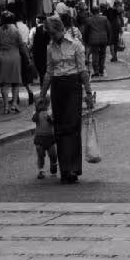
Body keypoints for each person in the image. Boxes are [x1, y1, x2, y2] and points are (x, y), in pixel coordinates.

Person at [38, 16, 95, 184]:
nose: (52, 36)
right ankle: (65, 170)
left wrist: (89, 93)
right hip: (57, 87)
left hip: (73, 86)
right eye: (49, 34)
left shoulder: (76, 45)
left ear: (60, 29)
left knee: (73, 127)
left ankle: (73, 168)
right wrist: (42, 95)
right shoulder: (50, 48)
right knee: (60, 128)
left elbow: (83, 70)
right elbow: (49, 72)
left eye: (53, 33)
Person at [0, 12, 25, 114]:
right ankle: (14, 104)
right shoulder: (15, 30)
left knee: (4, 83)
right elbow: (21, 44)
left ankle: (6, 106)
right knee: (15, 82)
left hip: (1, 57)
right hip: (14, 57)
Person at [32, 95, 58, 179]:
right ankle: (41, 171)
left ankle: (53, 164)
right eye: (39, 104)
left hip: (50, 137)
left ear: (47, 104)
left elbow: (53, 121)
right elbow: (34, 119)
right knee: (40, 154)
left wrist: (50, 118)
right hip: (39, 137)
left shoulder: (50, 112)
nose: (41, 106)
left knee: (53, 154)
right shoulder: (36, 113)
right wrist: (37, 110)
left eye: (43, 104)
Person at [83, 7, 113, 78]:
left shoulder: (89, 20)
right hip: (103, 39)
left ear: (91, 12)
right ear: (99, 11)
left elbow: (86, 32)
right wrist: (109, 39)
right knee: (102, 54)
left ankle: (96, 71)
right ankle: (101, 70)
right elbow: (109, 29)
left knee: (95, 55)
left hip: (93, 40)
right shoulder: (104, 18)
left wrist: (86, 41)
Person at [29, 16, 49, 84]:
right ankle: (44, 83)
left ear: (37, 20)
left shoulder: (34, 30)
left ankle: (41, 82)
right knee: (45, 68)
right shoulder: (48, 29)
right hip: (46, 51)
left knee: (39, 68)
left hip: (37, 52)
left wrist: (30, 49)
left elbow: (31, 40)